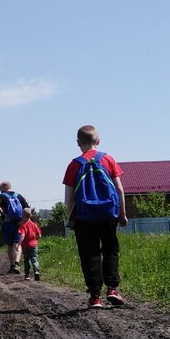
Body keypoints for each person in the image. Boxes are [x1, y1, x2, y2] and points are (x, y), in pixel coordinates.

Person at [63, 124, 128, 308]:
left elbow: (69, 196)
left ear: (78, 143)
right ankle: (113, 289)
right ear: (98, 141)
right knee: (110, 250)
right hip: (108, 213)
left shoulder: (74, 165)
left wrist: (71, 218)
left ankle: (95, 297)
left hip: (85, 216)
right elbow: (119, 189)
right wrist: (122, 214)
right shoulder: (108, 159)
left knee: (89, 254)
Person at [0, 181, 29, 275]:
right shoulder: (19, 196)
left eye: (0, 188)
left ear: (5, 187)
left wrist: (4, 214)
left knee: (10, 245)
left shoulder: (1, 196)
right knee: (18, 244)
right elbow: (27, 210)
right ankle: (17, 263)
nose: (0, 190)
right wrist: (24, 221)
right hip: (19, 223)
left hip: (7, 223)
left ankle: (12, 265)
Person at [19, 208, 42, 280]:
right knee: (34, 258)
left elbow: (22, 235)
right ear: (30, 215)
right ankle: (36, 271)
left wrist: (18, 244)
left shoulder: (22, 225)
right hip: (33, 245)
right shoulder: (34, 224)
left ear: (22, 215)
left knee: (26, 260)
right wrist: (35, 239)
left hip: (25, 246)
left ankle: (27, 275)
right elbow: (39, 235)